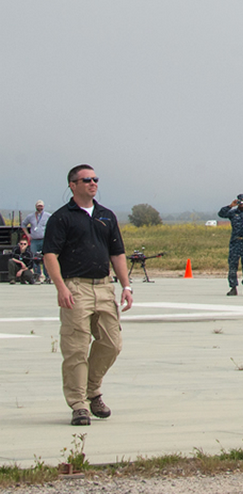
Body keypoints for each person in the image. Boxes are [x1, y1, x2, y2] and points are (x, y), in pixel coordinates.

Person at [43, 165, 133, 427]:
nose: (93, 183)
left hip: (104, 287)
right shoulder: (62, 218)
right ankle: (79, 404)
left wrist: (126, 286)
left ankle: (92, 390)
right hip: (76, 288)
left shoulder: (106, 216)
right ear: (73, 184)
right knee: (76, 349)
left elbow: (117, 253)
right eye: (86, 180)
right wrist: (61, 288)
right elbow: (50, 255)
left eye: (95, 179)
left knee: (111, 343)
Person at [23, 200, 51, 282]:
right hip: (34, 240)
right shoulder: (30, 216)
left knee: (46, 258)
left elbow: (54, 224)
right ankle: (37, 275)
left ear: (43, 206)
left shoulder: (48, 216)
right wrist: (27, 234)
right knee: (34, 258)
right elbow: (23, 224)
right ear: (36, 206)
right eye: (38, 206)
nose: (40, 207)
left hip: (44, 240)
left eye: (41, 206)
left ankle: (47, 276)